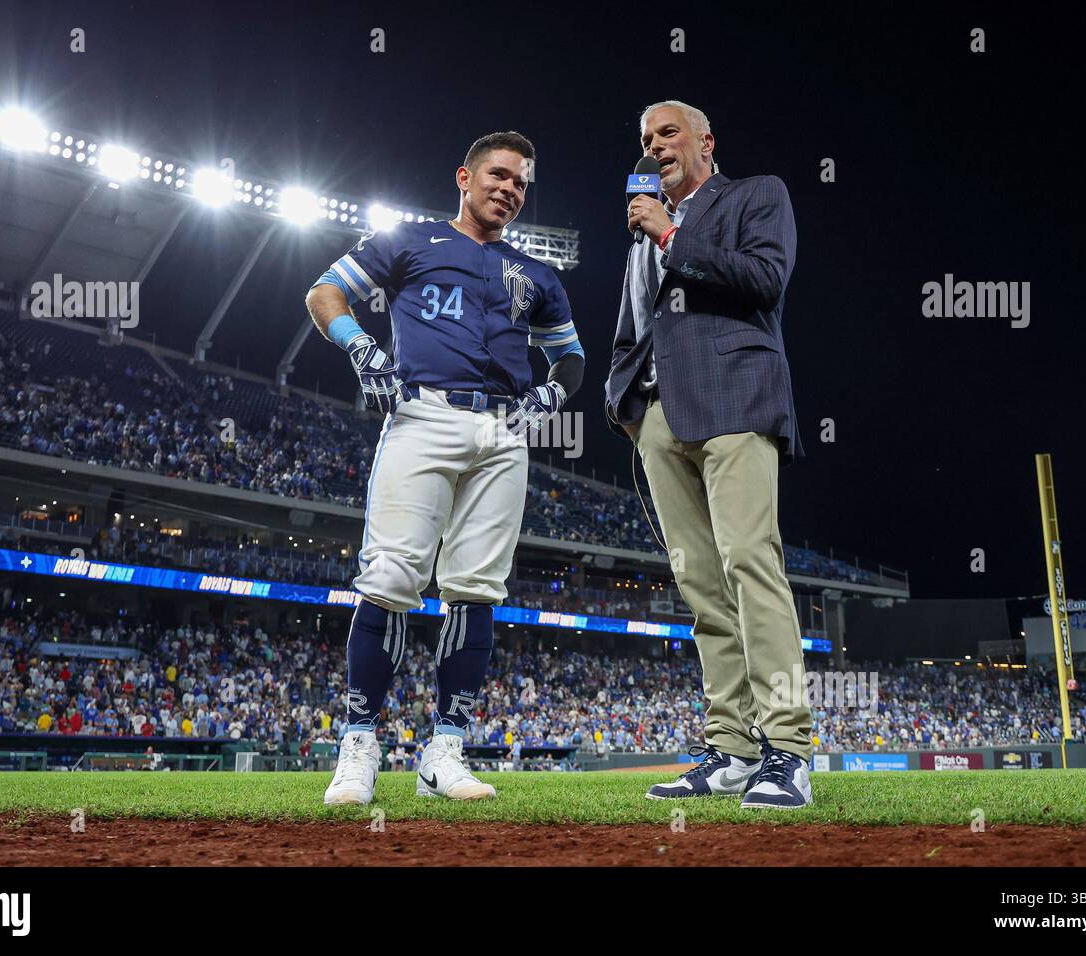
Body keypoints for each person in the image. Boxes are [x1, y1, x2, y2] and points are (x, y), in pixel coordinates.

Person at [306, 131, 585, 805]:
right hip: (422, 415)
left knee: (477, 588)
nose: (509, 188)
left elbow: (570, 359)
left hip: (506, 430)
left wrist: (553, 391)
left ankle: (445, 750)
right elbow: (325, 293)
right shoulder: (408, 240)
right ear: (464, 176)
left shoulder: (537, 274)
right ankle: (360, 743)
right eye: (498, 174)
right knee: (392, 575)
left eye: (520, 181)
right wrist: (360, 348)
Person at [605, 100, 812, 808]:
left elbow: (765, 281)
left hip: (733, 401)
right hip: (660, 419)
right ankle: (729, 747)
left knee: (751, 564)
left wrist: (670, 234)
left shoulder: (756, 194)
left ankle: (787, 750)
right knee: (698, 585)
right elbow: (634, 325)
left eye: (668, 133)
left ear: (705, 142)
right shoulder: (643, 233)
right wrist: (625, 407)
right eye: (645, 138)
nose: (654, 145)